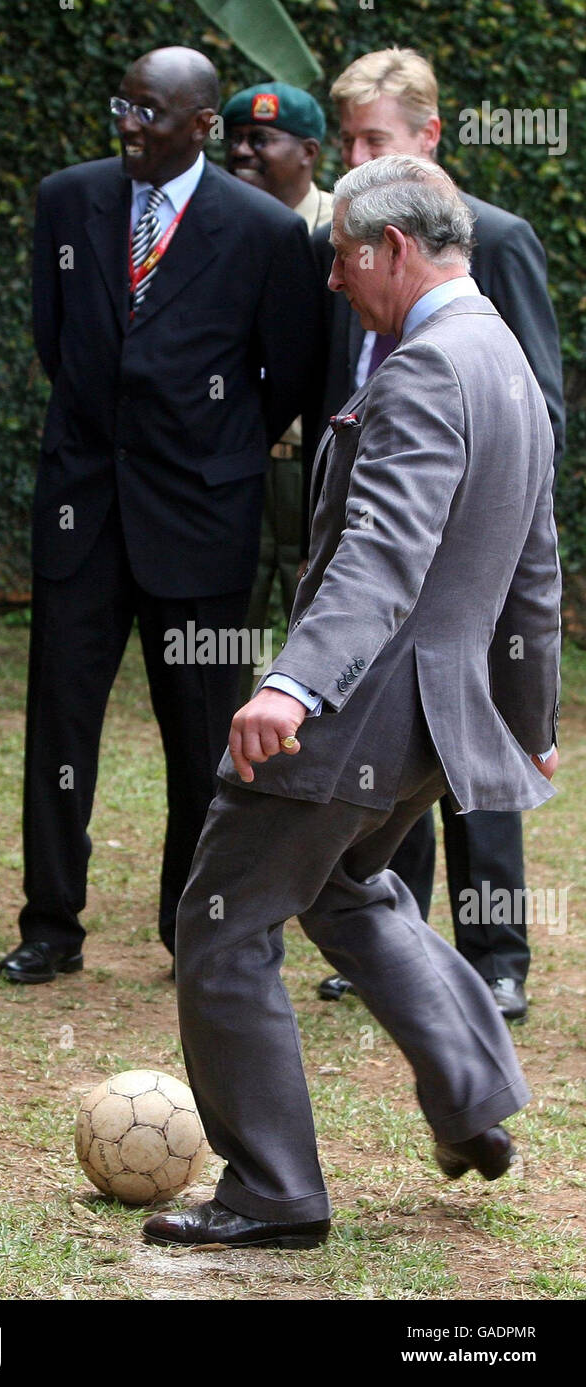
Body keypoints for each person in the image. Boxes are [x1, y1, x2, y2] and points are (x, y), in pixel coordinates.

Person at [142, 154, 560, 1250]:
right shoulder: (504, 359)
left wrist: (290, 683)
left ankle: (271, 1190)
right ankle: (470, 1093)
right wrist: (528, 718)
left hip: (361, 712)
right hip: (435, 720)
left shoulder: (425, 369)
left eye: (341, 255)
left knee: (222, 921)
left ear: (394, 250)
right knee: (343, 888)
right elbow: (535, 570)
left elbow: (382, 550)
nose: (332, 279)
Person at [0, 47, 321, 984]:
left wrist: (213, 451)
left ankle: (194, 926)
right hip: (84, 515)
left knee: (202, 739)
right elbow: (55, 340)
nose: (129, 126)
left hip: (202, 523)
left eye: (150, 112)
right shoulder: (69, 200)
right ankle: (50, 924)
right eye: (123, 106)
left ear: (202, 125)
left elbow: (287, 375)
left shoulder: (262, 231)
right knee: (60, 728)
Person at [311, 48, 565, 1020]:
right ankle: (390, 939)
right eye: (347, 142)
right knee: (386, 755)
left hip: (470, 553)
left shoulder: (493, 241)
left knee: (477, 758)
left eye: (374, 139)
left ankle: (495, 955)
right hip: (380, 544)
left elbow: (534, 400)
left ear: (428, 137)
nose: (355, 156)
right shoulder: (349, 243)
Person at [221, 82, 333, 704]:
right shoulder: (217, 225)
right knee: (226, 631)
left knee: (321, 623)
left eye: (261, 139)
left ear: (309, 151)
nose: (242, 151)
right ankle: (229, 778)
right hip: (238, 466)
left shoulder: (349, 227)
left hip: (314, 464)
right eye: (235, 138)